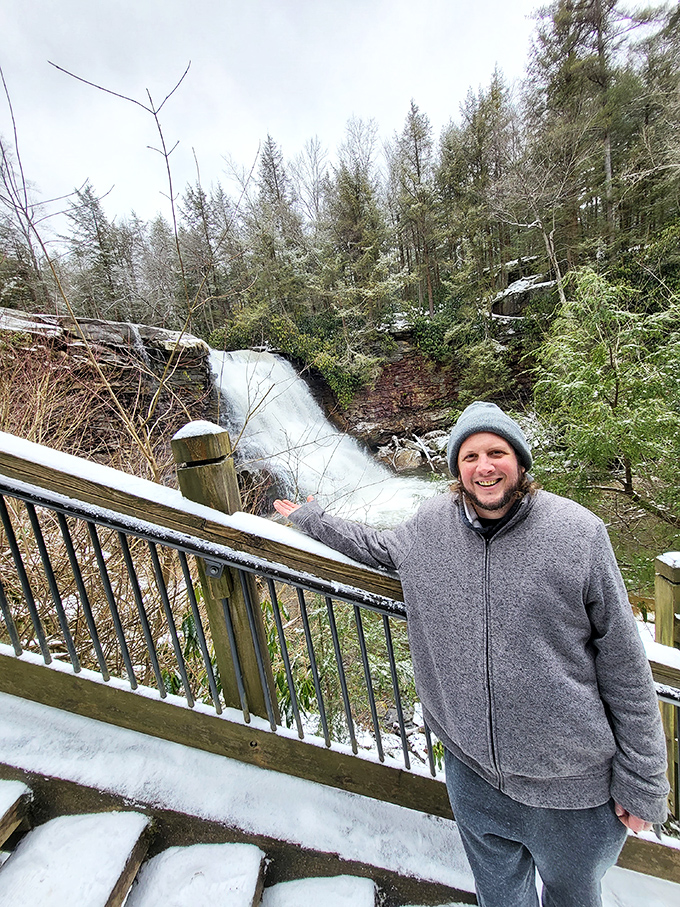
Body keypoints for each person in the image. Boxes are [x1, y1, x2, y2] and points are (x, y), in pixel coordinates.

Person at [274, 401, 669, 907]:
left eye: (497, 452)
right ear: (457, 469)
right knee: (499, 899)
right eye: (470, 456)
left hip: (573, 790)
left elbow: (625, 666)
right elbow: (378, 546)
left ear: (520, 462)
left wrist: (643, 784)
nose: (484, 466)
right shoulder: (431, 525)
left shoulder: (579, 534)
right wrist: (313, 519)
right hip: (474, 776)